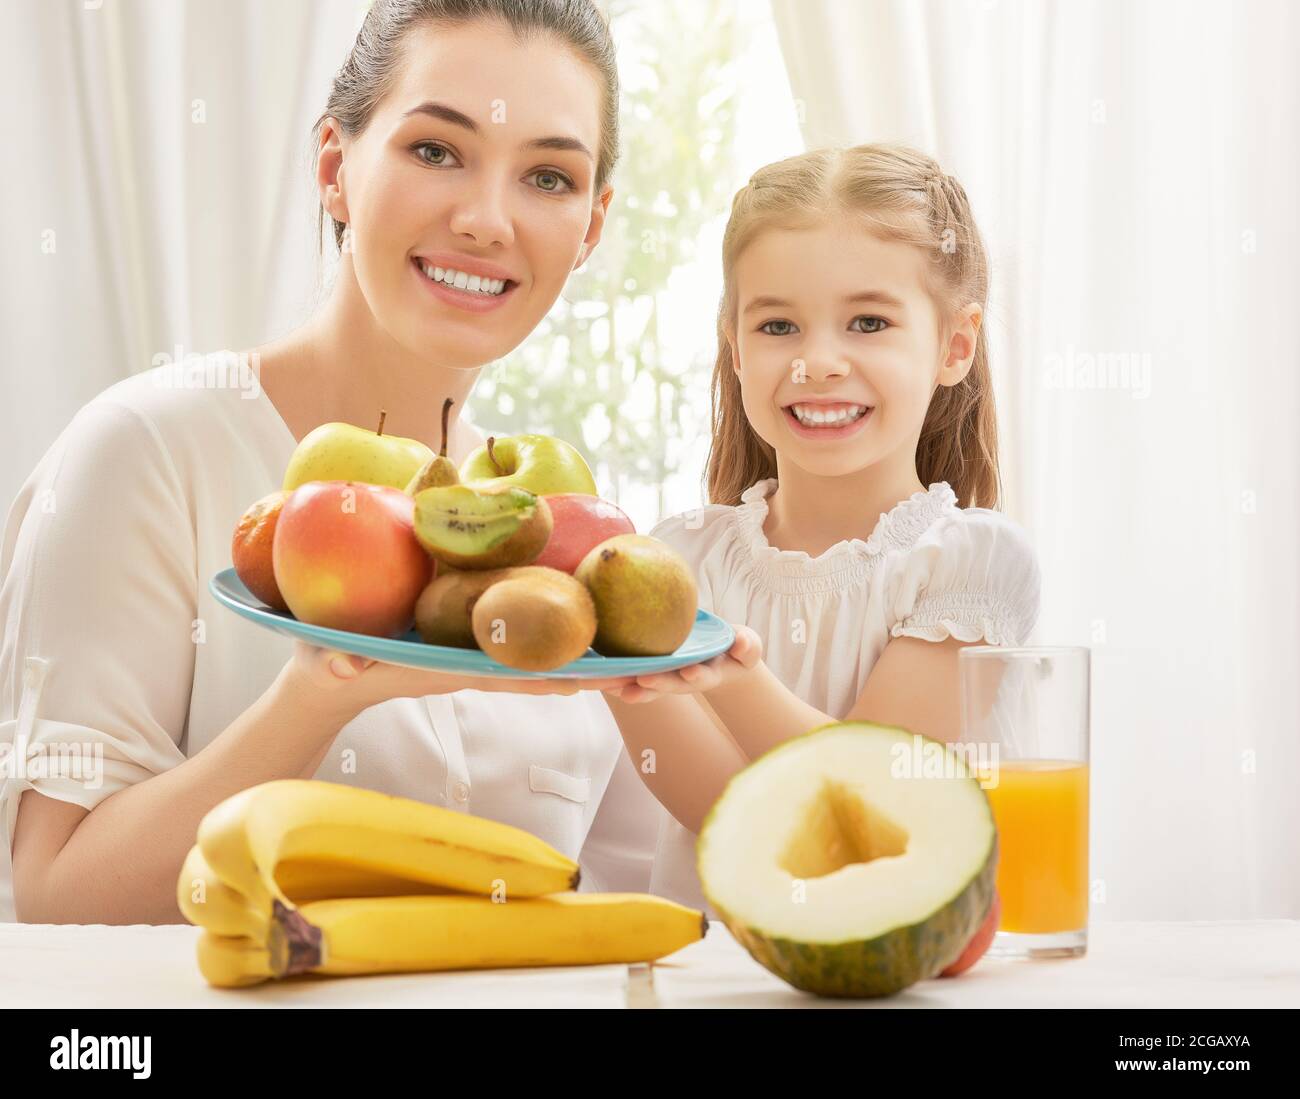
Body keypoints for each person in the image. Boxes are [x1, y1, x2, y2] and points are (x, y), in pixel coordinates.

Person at [0, 0, 693, 924]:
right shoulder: (151, 452)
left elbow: (623, 897)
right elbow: (56, 892)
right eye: (436, 151)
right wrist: (315, 698)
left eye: (548, 176)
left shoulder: (565, 530)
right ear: (336, 168)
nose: (488, 220)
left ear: (593, 228)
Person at [599, 143, 1042, 909]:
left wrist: (728, 673)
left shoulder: (973, 569)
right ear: (735, 350)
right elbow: (719, 813)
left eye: (868, 321)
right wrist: (602, 646)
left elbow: (875, 805)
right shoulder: (676, 560)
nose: (818, 362)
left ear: (954, 345)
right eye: (778, 327)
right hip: (721, 982)